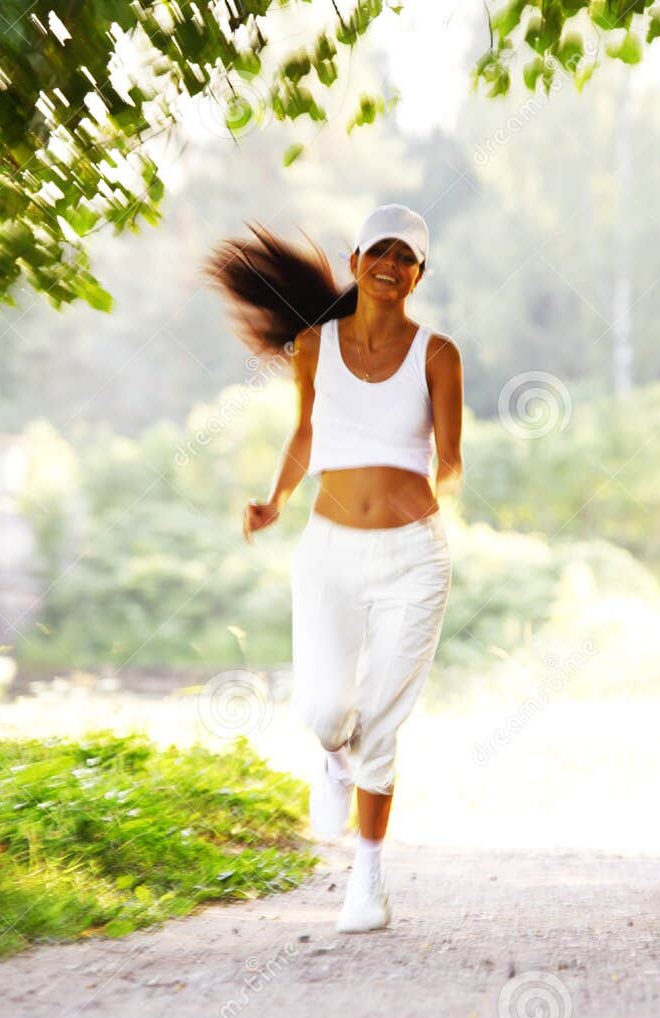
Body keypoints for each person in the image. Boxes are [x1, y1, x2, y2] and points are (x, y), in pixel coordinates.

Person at [206, 204, 463, 933]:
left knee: (380, 725)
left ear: (419, 273)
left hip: (413, 556)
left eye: (405, 256)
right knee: (326, 713)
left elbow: (452, 459)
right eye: (378, 251)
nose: (390, 264)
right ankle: (331, 757)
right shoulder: (315, 346)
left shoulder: (438, 354)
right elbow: (305, 432)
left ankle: (370, 878)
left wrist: (435, 490)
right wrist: (275, 500)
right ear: (356, 263)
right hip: (329, 552)